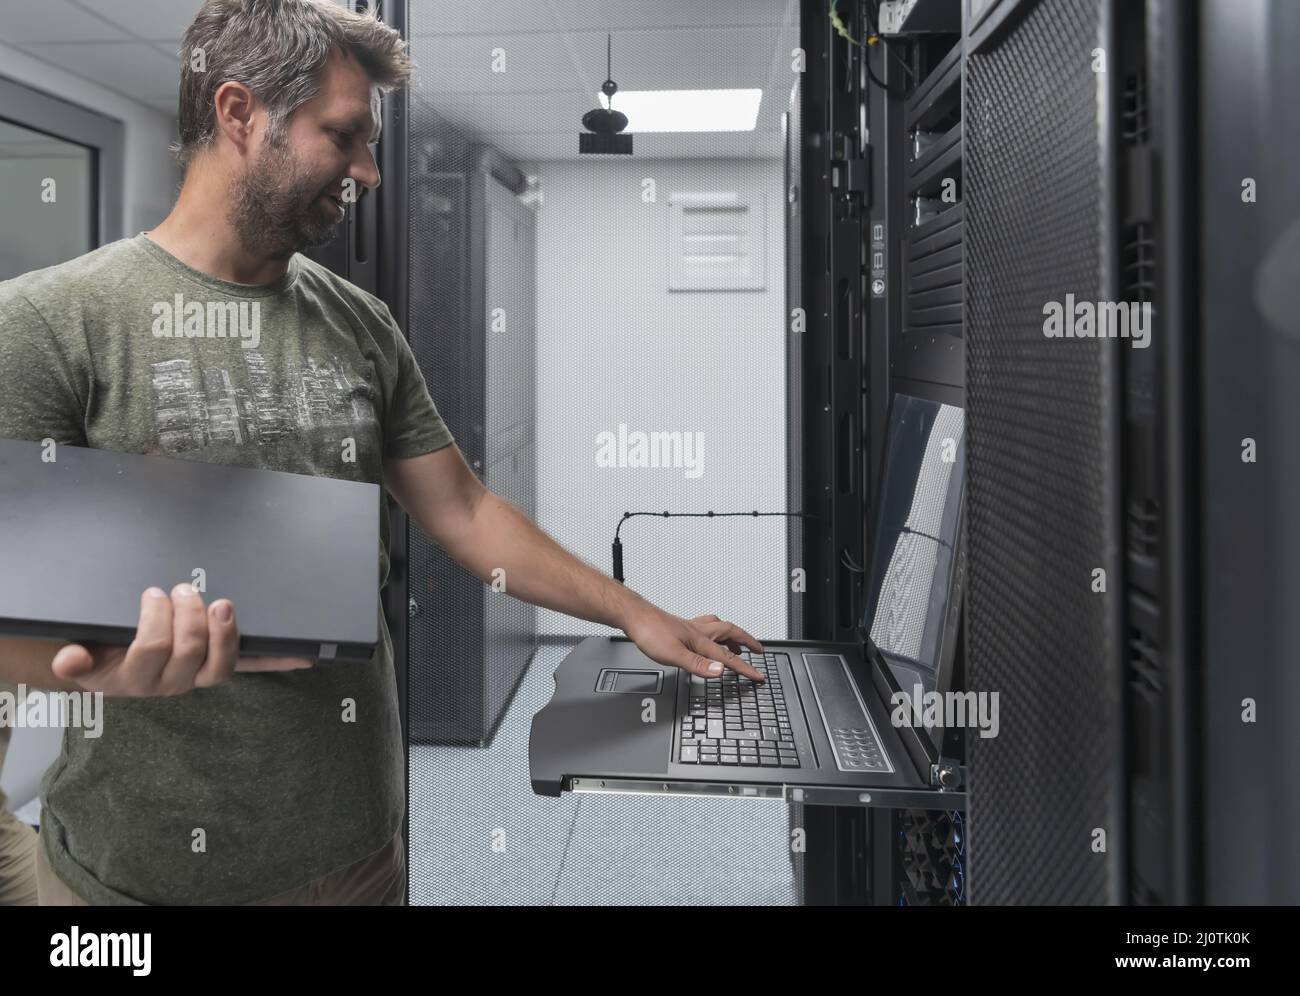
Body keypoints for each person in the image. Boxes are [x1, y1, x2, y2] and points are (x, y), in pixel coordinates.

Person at [0, 0, 763, 906]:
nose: (367, 169)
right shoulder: (51, 324)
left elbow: (467, 511)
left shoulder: (359, 323)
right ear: (239, 115)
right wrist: (98, 669)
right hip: (140, 877)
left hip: (358, 853)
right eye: (344, 135)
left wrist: (634, 612)